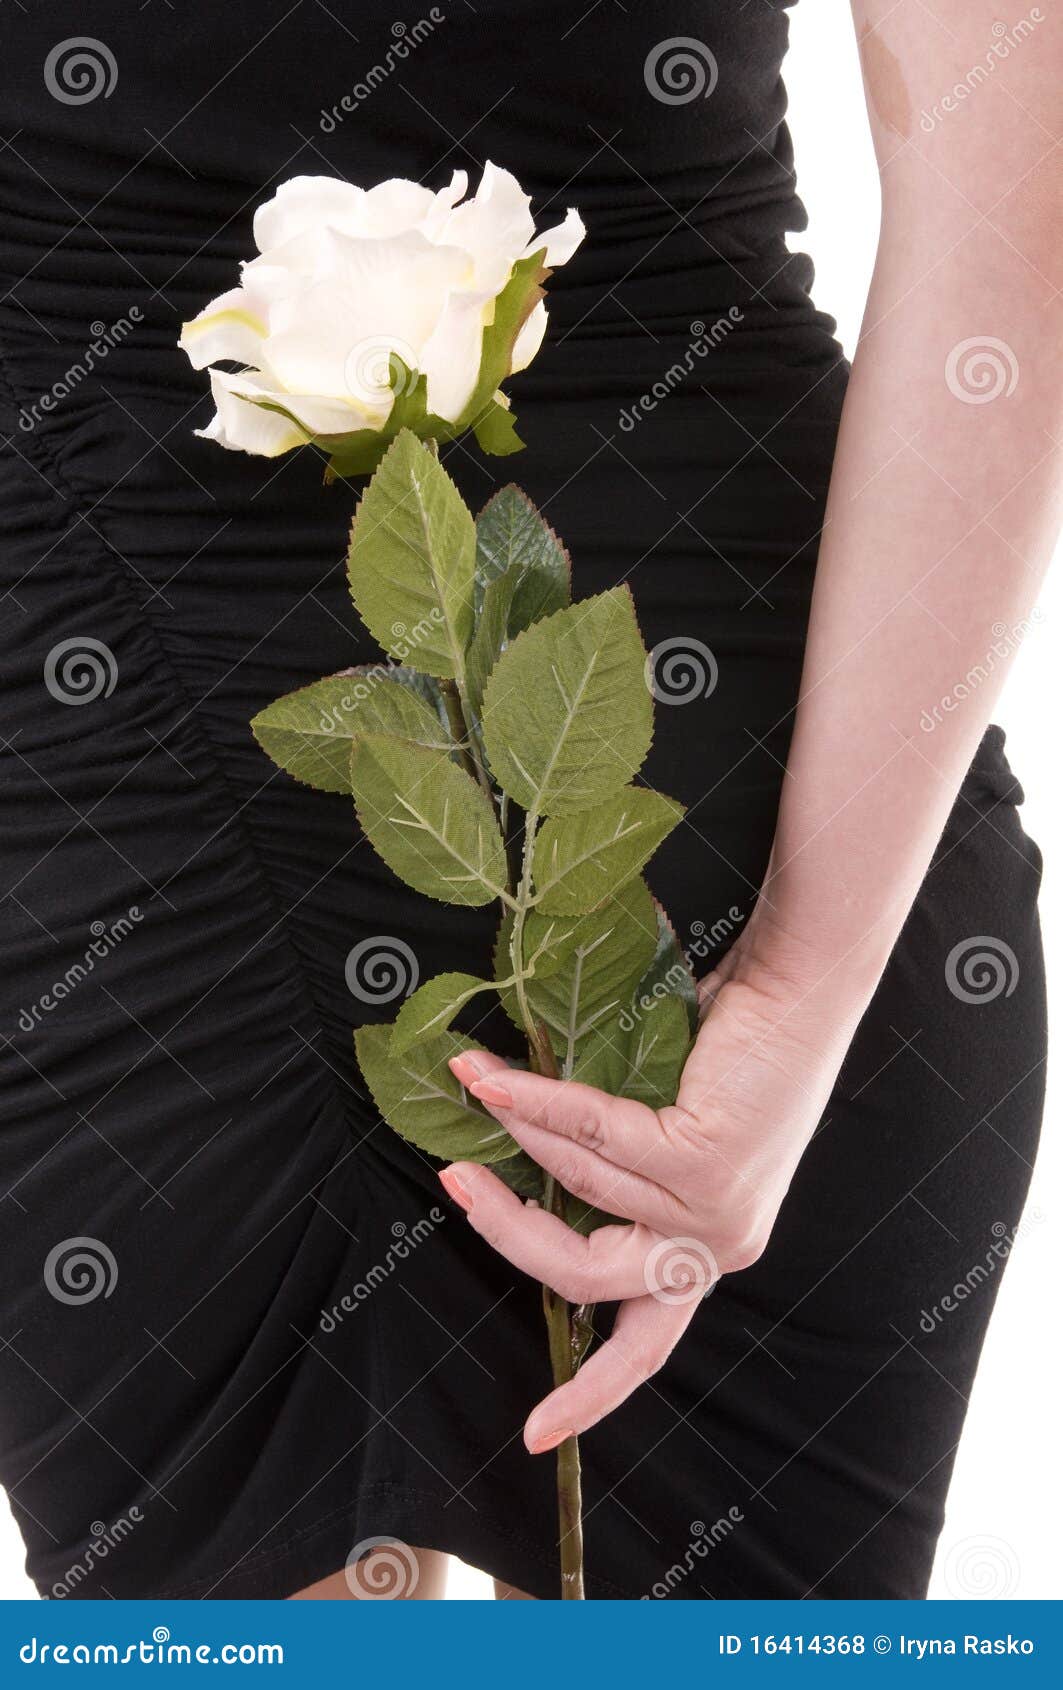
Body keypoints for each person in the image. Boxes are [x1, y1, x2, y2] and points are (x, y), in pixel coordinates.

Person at [0, 0, 1056, 1602]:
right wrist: (801, 985)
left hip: (117, 782)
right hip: (726, 733)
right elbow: (1013, 200)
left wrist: (795, 994)